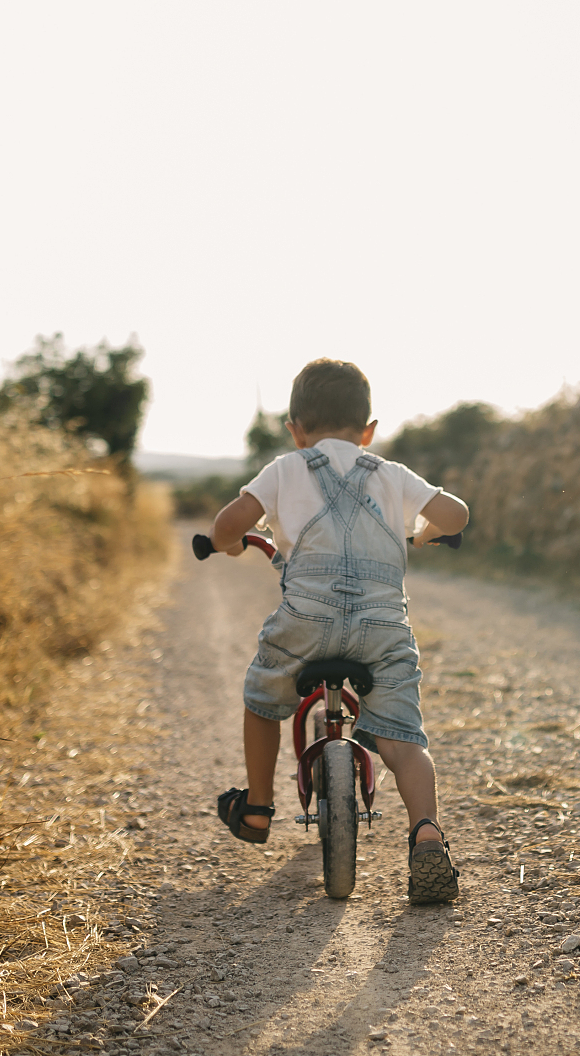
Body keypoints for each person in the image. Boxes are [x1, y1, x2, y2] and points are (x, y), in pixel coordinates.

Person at [207, 357, 470, 903]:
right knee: (403, 739)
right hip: (382, 628)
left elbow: (227, 527)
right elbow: (457, 515)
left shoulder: (285, 468)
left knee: (263, 696)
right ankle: (427, 834)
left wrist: (229, 543)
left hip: (306, 621)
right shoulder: (391, 474)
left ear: (295, 428)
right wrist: (422, 534)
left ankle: (256, 808)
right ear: (369, 431)